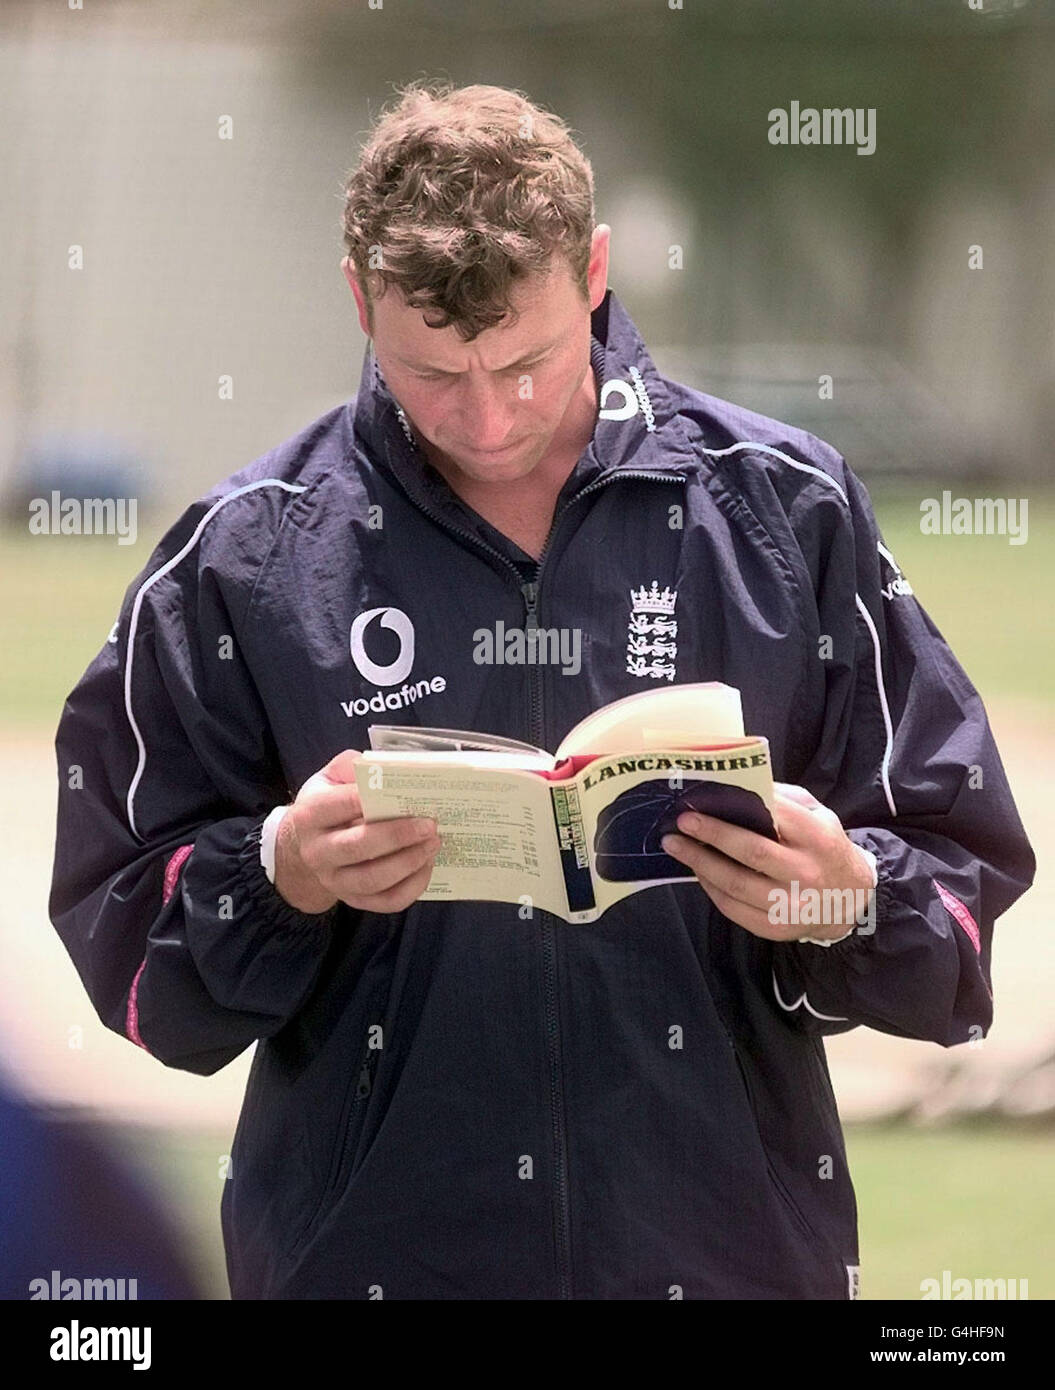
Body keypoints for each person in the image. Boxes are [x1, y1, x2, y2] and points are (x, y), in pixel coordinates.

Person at [49, 80, 1034, 1300]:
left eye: (524, 360)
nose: (486, 416)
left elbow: (957, 890)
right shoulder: (244, 553)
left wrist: (849, 898)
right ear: (358, 298)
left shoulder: (788, 509)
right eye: (430, 372)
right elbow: (129, 962)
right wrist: (278, 875)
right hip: (369, 1266)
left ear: (597, 272)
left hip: (724, 1261)